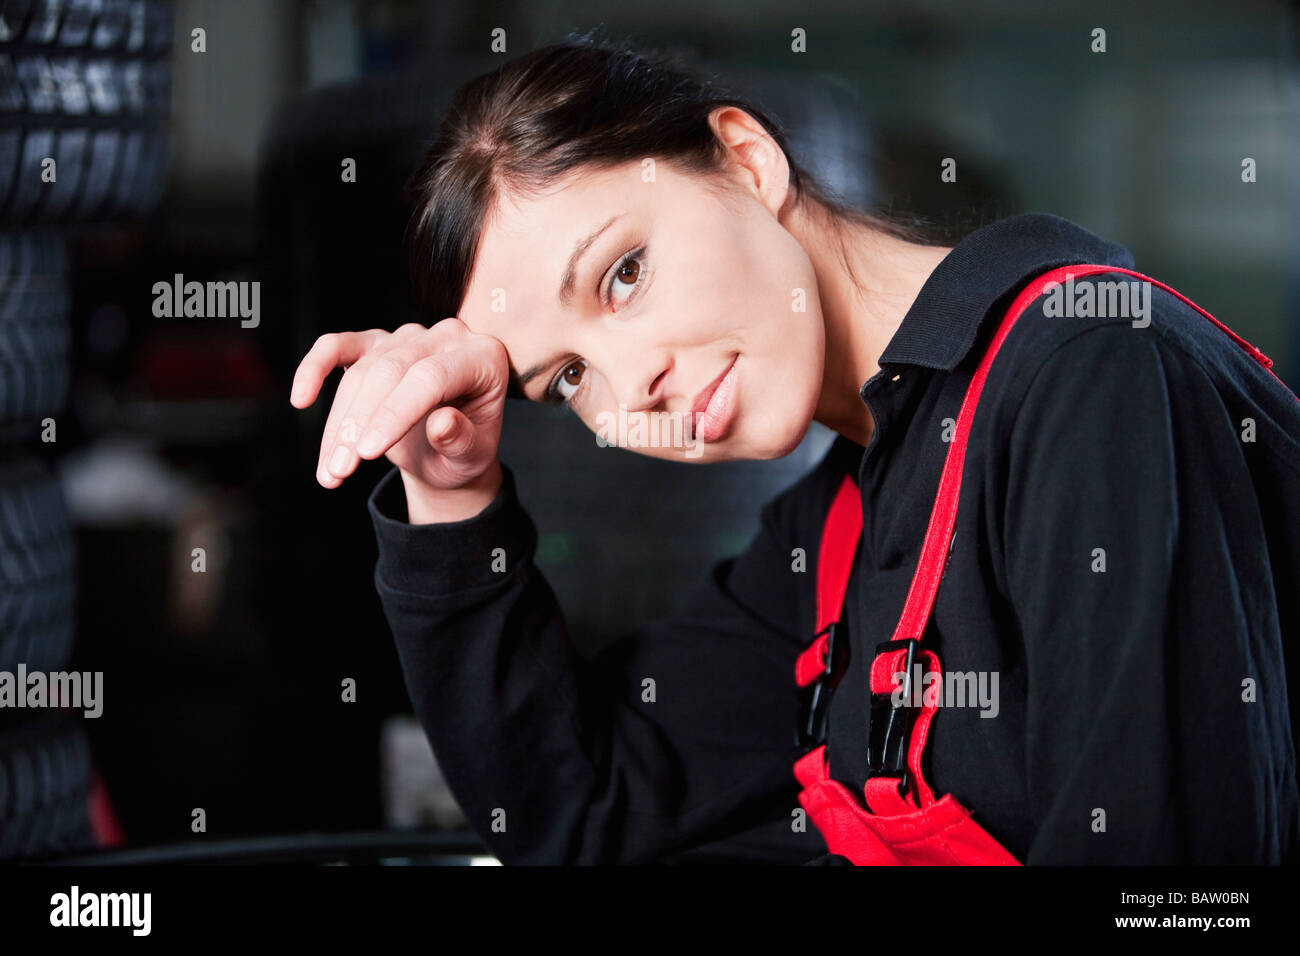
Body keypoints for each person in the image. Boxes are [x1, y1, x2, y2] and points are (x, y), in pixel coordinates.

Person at [288, 34, 1300, 865]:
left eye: (623, 273)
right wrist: (450, 483)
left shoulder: (1088, 371)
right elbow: (585, 807)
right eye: (564, 380)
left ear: (745, 159)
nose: (627, 385)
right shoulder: (836, 528)